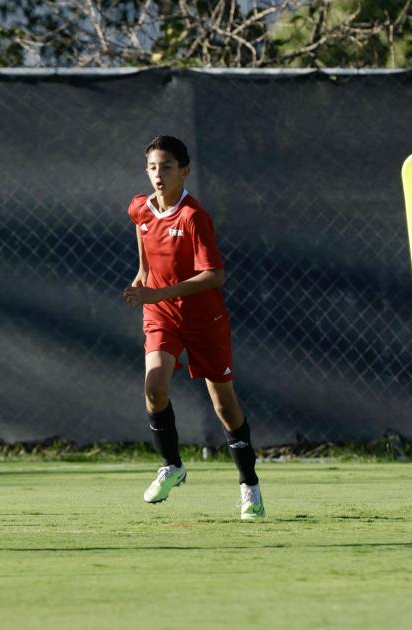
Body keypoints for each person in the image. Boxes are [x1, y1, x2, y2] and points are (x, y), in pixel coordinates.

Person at [122, 136, 264, 520]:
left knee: (225, 408)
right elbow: (142, 232)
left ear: (184, 171)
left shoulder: (194, 217)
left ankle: (249, 486)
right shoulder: (141, 207)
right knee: (154, 387)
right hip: (161, 314)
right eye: (152, 167)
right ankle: (172, 465)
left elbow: (214, 275)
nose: (158, 175)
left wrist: (162, 291)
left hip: (204, 320)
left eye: (166, 167)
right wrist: (142, 275)